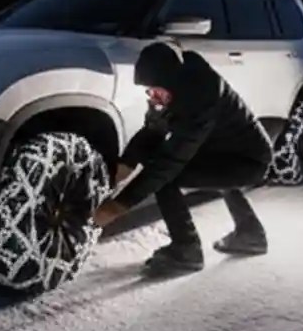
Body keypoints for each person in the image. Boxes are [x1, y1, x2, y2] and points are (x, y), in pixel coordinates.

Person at [92, 41, 274, 274]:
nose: (154, 97)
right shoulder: (175, 89)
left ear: (172, 82)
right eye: (150, 91)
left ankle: (186, 249)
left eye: (157, 90)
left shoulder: (203, 96)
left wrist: (118, 206)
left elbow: (169, 163)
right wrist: (124, 166)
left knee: (169, 178)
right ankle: (250, 233)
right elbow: (152, 132)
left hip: (249, 161)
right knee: (179, 166)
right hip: (226, 152)